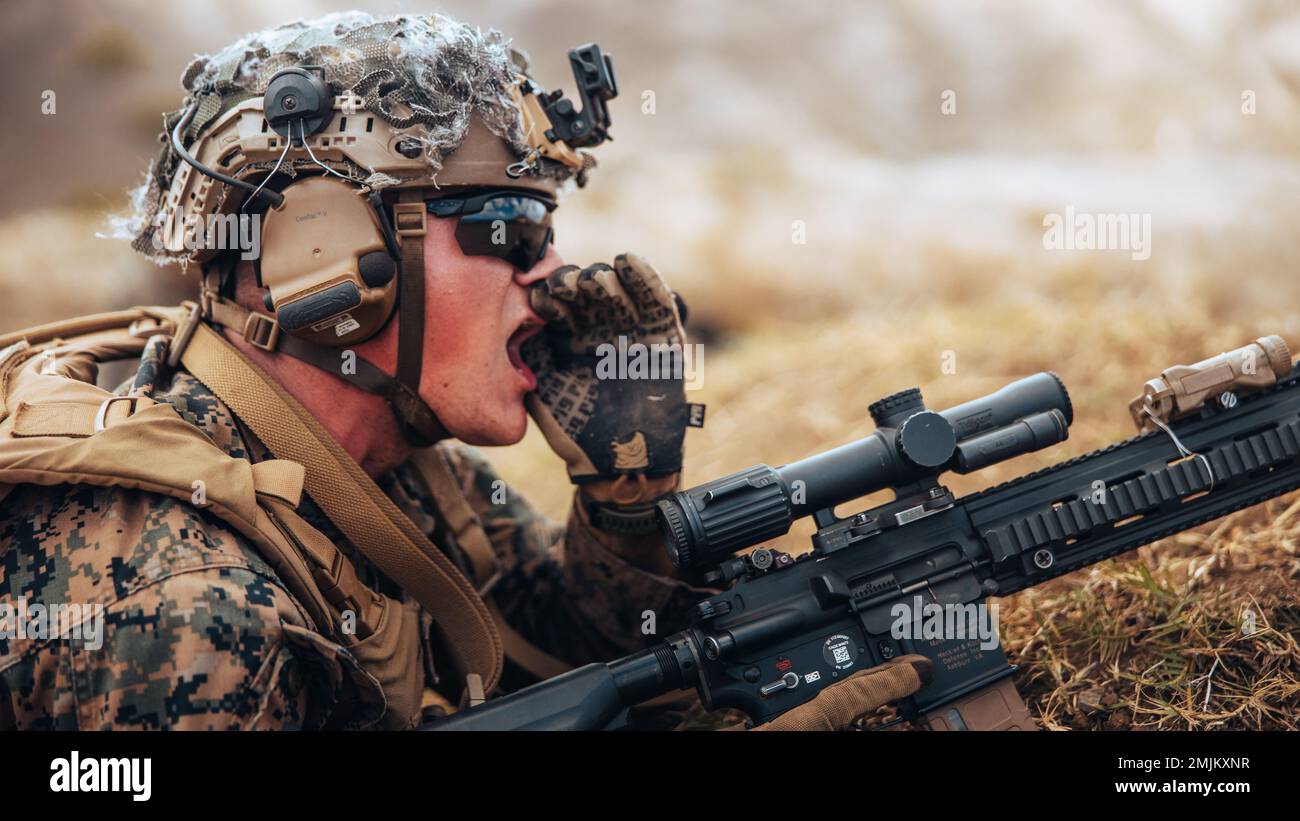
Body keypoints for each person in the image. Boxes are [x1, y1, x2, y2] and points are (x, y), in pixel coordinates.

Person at [0, 11, 929, 730]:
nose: (552, 274)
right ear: (322, 259)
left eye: (549, 233)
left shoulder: (383, 471)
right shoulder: (189, 612)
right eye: (507, 231)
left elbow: (569, 655)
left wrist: (629, 504)